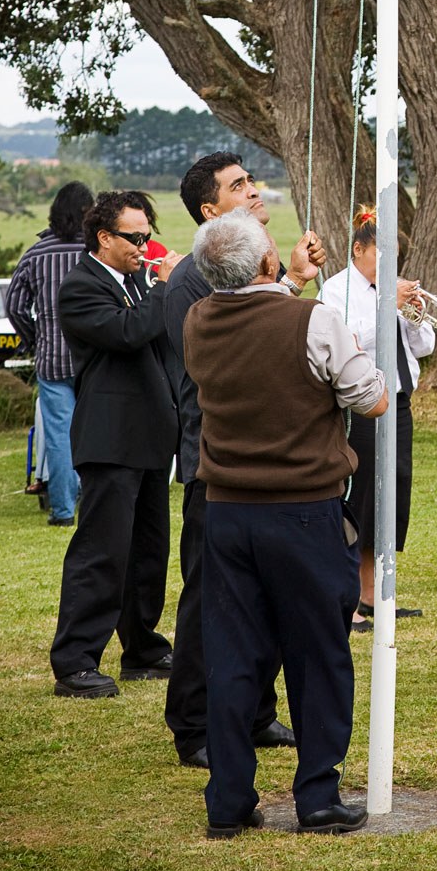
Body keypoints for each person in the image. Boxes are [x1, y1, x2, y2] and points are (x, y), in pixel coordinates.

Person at [184, 208, 387, 837]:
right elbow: (371, 398)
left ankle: (228, 801)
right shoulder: (315, 319)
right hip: (301, 510)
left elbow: (258, 318)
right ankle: (318, 797)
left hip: (226, 510)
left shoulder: (198, 319)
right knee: (319, 654)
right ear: (269, 263)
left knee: (234, 656)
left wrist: (291, 280)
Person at [163, 151, 322, 769]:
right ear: (210, 209)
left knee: (261, 598)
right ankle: (195, 724)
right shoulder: (192, 282)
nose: (254, 192)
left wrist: (294, 281)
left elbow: (259, 322)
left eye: (251, 181)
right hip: (217, 460)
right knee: (211, 598)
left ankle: (254, 712)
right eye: (238, 186)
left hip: (258, 459)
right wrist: (291, 288)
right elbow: (228, 352)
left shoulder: (248, 268)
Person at [49, 191, 182, 697]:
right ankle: (75, 660)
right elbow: (128, 333)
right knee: (101, 551)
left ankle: (142, 647)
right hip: (109, 437)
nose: (144, 246)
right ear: (104, 238)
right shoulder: (81, 286)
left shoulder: (135, 283)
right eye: (135, 238)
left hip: (148, 434)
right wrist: (162, 287)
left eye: (148, 236)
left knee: (147, 550)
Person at [320, 205, 434, 628]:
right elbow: (346, 341)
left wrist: (412, 313)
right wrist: (388, 306)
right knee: (360, 497)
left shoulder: (392, 290)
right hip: (361, 406)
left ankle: (373, 595)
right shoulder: (337, 290)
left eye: (395, 260)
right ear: (358, 249)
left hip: (398, 400)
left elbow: (421, 347)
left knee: (392, 496)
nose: (391, 267)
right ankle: (347, 599)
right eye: (382, 256)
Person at [5, 180, 93, 527]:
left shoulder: (36, 253)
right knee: (93, 430)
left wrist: (34, 338)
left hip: (51, 358)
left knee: (58, 435)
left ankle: (62, 510)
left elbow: (14, 306)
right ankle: (94, 499)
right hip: (92, 355)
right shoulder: (93, 252)